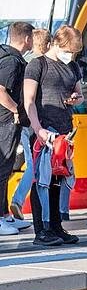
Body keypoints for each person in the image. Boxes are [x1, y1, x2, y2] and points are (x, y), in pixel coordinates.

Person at [23, 26, 83, 246]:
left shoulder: (73, 66)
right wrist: (38, 130)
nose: (71, 56)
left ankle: (56, 225)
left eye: (74, 52)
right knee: (42, 179)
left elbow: (79, 93)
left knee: (58, 177)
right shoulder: (37, 65)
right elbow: (29, 100)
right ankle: (41, 229)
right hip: (44, 132)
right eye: (68, 50)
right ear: (56, 44)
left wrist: (76, 98)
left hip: (63, 132)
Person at [10, 28, 48, 223]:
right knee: (36, 164)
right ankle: (18, 199)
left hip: (23, 121)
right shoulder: (39, 64)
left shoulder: (25, 60)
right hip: (34, 122)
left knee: (31, 163)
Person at [0, 22, 34, 236]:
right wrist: (16, 110)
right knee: (2, 169)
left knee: (5, 168)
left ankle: (5, 215)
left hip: (7, 122)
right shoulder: (12, 62)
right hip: (5, 122)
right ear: (27, 39)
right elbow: (1, 91)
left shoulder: (9, 58)